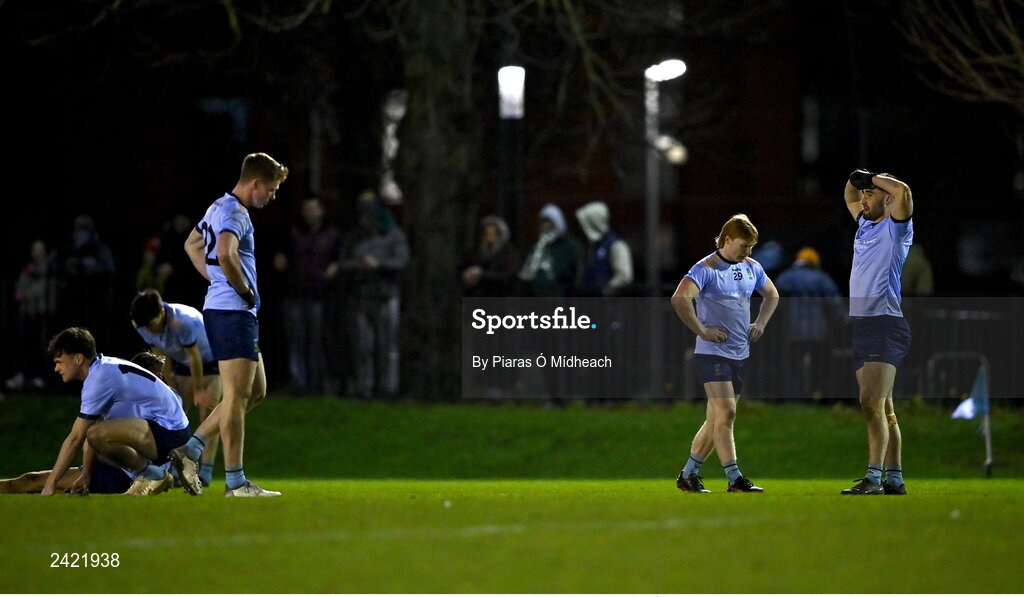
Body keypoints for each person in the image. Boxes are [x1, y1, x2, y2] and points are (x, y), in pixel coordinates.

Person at [172, 152, 288, 498]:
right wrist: (241, 288)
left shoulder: (217, 206)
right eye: (271, 188)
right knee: (237, 397)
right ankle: (235, 483)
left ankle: (189, 450)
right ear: (255, 183)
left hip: (226, 311)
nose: (272, 196)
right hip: (234, 312)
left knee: (255, 391)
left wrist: (215, 281)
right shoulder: (237, 212)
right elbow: (225, 252)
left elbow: (191, 244)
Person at [671, 214, 779, 493]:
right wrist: (702, 330)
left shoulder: (752, 267)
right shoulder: (706, 268)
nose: (749, 252)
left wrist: (761, 323)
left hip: (740, 354)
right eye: (744, 245)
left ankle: (689, 475)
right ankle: (735, 478)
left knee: (716, 418)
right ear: (727, 240)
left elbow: (772, 294)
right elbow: (679, 298)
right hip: (712, 354)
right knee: (727, 411)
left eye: (752, 246)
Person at [36, 328, 190, 497]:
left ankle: (154, 475)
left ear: (79, 358)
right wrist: (85, 474)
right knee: (96, 436)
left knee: (95, 434)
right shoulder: (104, 368)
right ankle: (153, 474)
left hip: (170, 433)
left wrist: (51, 484)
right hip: (169, 430)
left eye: (60, 362)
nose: (57, 368)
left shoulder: (99, 379)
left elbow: (75, 439)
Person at [0, 350, 171, 495]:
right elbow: (93, 435)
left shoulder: (169, 408)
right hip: (108, 472)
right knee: (30, 480)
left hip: (133, 477)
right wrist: (87, 473)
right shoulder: (119, 398)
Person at [840, 169, 914, 496]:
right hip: (865, 324)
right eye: (865, 194)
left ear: (887, 199)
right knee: (883, 408)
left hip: (885, 323)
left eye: (871, 194)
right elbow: (849, 194)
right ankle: (894, 479)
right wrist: (859, 180)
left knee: (870, 402)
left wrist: (873, 176)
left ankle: (873, 478)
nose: (864, 199)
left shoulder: (896, 230)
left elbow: (904, 191)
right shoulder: (865, 225)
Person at [130, 288, 222, 487]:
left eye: (152, 325)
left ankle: (205, 471)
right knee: (174, 413)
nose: (149, 329)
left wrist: (198, 390)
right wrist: (167, 386)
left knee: (208, 410)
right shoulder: (141, 323)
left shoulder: (183, 321)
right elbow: (159, 353)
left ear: (162, 313)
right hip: (182, 360)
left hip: (210, 358)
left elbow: (194, 357)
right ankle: (172, 469)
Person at [338, 191, 409, 400]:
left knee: (387, 347)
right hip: (361, 296)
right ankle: (365, 388)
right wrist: (358, 265)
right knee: (362, 347)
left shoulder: (392, 234)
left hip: (386, 296)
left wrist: (380, 264)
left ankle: (388, 388)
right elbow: (342, 263)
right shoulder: (354, 236)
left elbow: (402, 260)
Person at [272, 197, 342, 394]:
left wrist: (331, 271)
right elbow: (280, 255)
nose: (310, 213)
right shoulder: (292, 232)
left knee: (316, 340)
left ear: (321, 211)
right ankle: (298, 381)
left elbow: (337, 257)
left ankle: (316, 381)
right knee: (296, 340)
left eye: (313, 209)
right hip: (295, 292)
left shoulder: (330, 233)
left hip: (318, 294)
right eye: (307, 209)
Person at [773, 247, 843, 399]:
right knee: (819, 368)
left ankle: (795, 398)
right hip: (818, 331)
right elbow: (835, 304)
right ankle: (817, 395)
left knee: (794, 368)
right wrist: (843, 321)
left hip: (793, 331)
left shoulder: (786, 278)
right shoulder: (823, 279)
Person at [6, 239, 58, 392]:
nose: (37, 253)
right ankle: (25, 376)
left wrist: (25, 293)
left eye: (40, 249)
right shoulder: (29, 269)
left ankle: (40, 378)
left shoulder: (49, 268)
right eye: (34, 250)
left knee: (43, 347)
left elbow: (40, 290)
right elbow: (18, 289)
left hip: (43, 314)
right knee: (25, 345)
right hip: (28, 314)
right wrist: (24, 292)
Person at [518, 204, 581, 298]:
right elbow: (528, 271)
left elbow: (574, 274)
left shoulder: (569, 246)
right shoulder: (538, 246)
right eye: (542, 222)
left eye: (548, 222)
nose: (544, 225)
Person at [575, 201, 634, 297]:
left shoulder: (616, 245)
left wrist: (606, 290)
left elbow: (625, 276)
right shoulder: (591, 246)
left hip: (607, 305)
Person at [461, 215, 520, 297]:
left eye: (493, 234)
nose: (489, 237)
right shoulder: (476, 251)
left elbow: (509, 275)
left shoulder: (508, 253)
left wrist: (482, 274)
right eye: (486, 233)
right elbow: (464, 266)